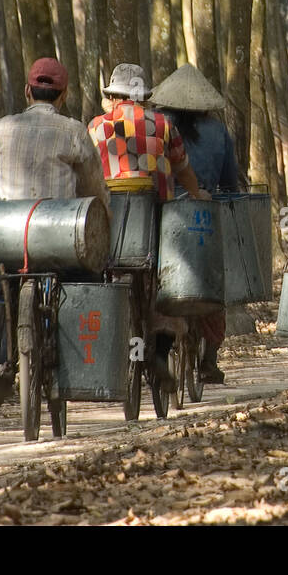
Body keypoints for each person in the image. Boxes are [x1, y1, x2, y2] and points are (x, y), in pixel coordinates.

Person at [0, 58, 111, 410]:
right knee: (85, 281)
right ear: (63, 95)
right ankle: (79, 362)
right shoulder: (74, 131)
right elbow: (94, 188)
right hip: (58, 236)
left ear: (27, 91)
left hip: (7, 235)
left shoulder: (0, 128)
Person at [88, 63, 210, 392]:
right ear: (143, 97)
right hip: (154, 221)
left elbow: (87, 176)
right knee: (162, 278)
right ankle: (160, 347)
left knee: (110, 275)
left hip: (112, 229)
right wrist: (198, 194)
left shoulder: (96, 127)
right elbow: (183, 170)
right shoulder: (163, 124)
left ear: (114, 96)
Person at [151, 63, 240, 384]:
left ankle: (158, 350)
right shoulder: (218, 133)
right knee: (214, 283)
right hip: (204, 217)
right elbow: (231, 183)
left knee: (159, 282)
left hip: (163, 216)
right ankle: (209, 360)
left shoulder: (157, 127)